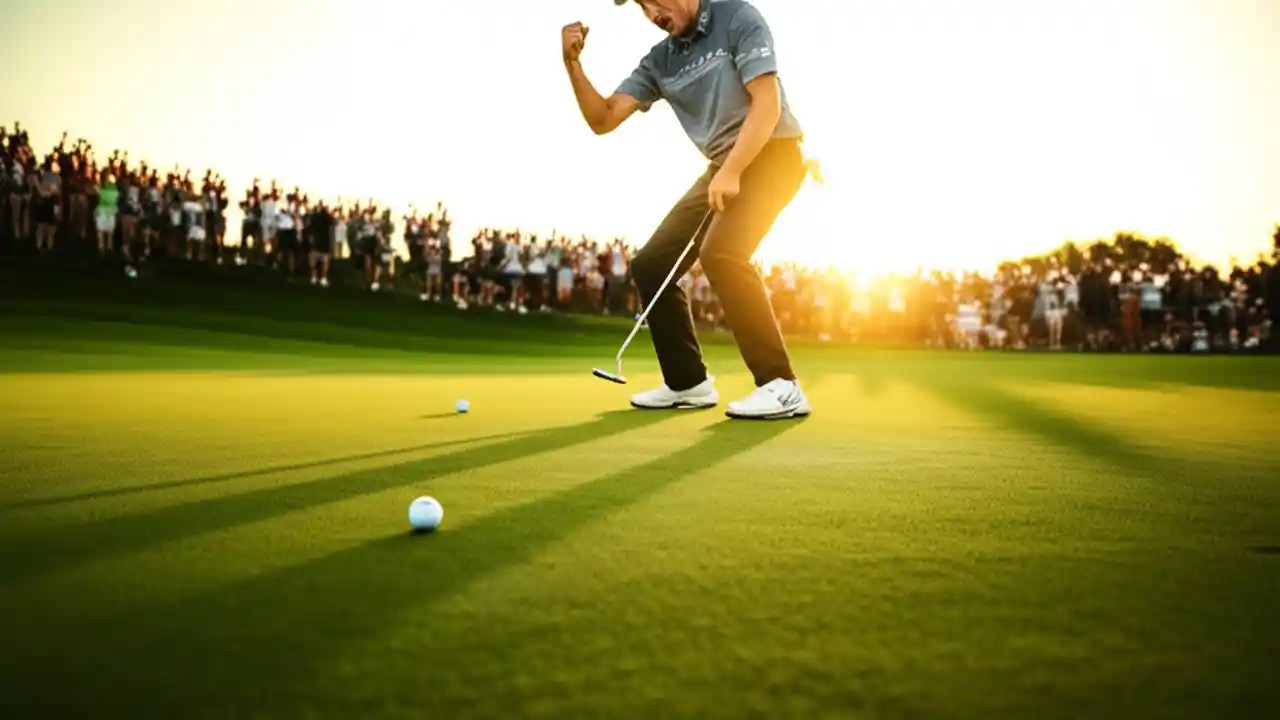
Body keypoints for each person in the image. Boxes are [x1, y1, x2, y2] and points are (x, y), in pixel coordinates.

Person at [563, 0, 812, 418]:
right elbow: (603, 118)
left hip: (775, 153)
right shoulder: (661, 60)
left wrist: (731, 171)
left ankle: (781, 384)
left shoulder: (737, 17)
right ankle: (688, 383)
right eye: (642, 8)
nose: (652, 13)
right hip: (723, 167)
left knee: (722, 253)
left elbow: (766, 105)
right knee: (652, 264)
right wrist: (572, 65)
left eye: (653, 0)